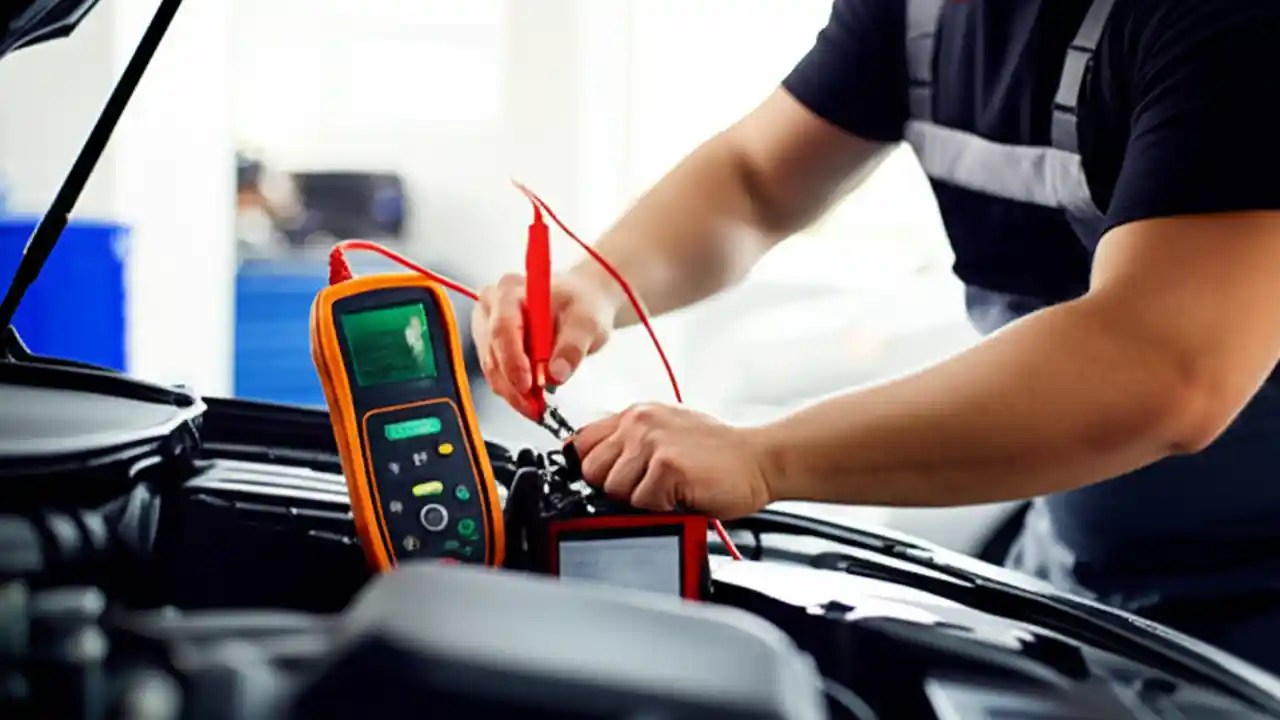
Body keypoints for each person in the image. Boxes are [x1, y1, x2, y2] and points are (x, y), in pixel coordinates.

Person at [472, 0, 1280, 672]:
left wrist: (765, 457)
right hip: (1085, 571)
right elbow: (756, 181)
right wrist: (595, 286)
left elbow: (1164, 368)